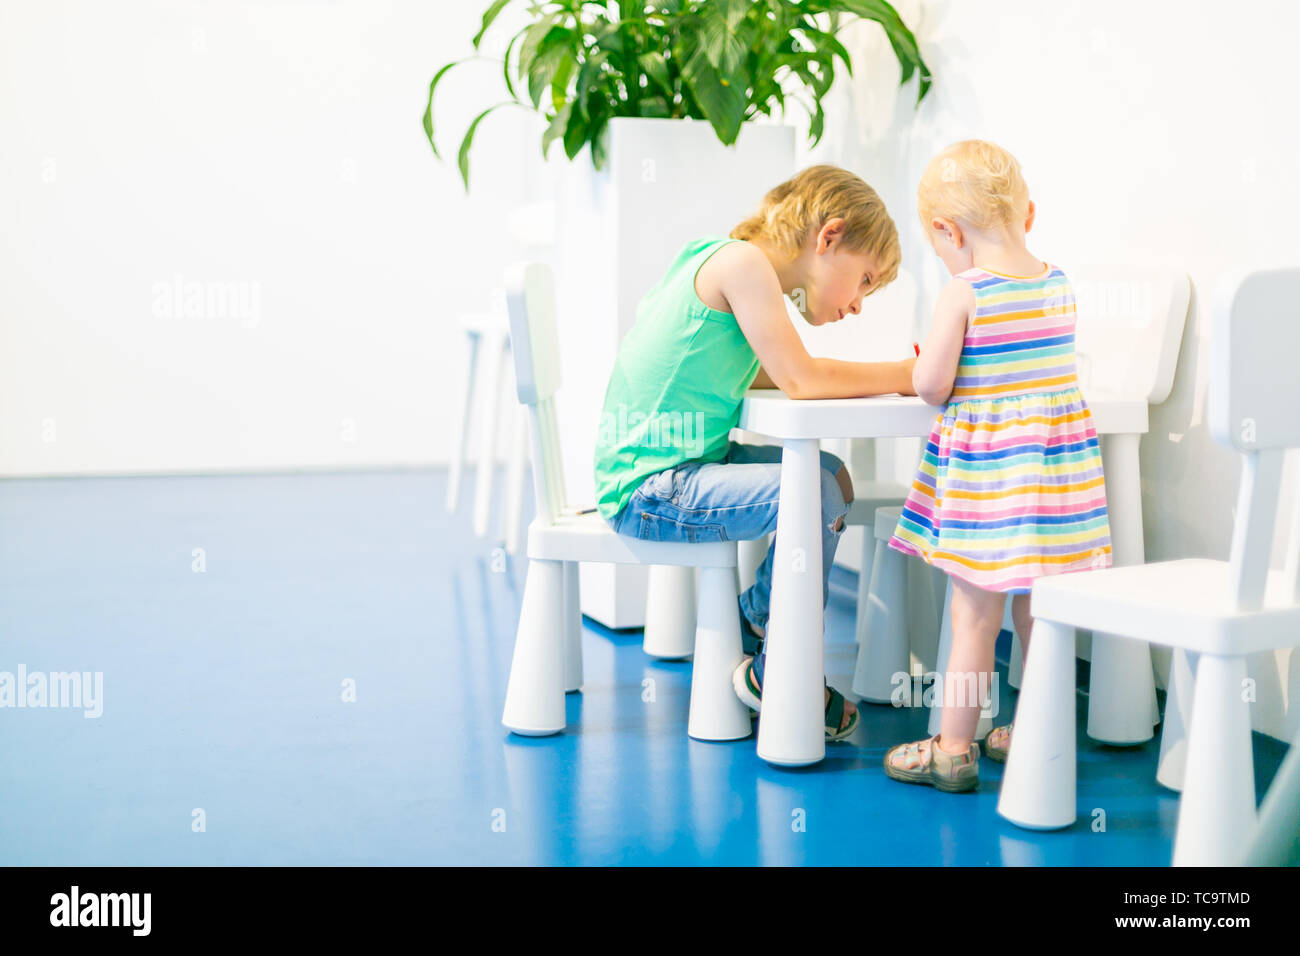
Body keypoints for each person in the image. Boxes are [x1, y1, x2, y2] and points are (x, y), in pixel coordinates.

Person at [592, 165, 917, 740]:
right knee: (812, 489)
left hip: (679, 472)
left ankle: (755, 620)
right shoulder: (743, 266)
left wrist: (865, 376)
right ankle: (777, 663)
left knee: (831, 476)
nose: (860, 303)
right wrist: (910, 374)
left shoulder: (730, 259)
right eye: (865, 280)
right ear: (830, 236)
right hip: (651, 489)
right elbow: (801, 378)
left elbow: (773, 374)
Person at [883, 140, 1113, 791]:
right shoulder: (1059, 285)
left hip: (991, 487)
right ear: (1029, 214)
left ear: (946, 230)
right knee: (1037, 614)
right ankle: (1038, 733)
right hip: (1056, 484)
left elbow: (931, 384)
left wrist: (932, 356)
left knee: (974, 620)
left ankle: (954, 748)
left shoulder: (965, 291)